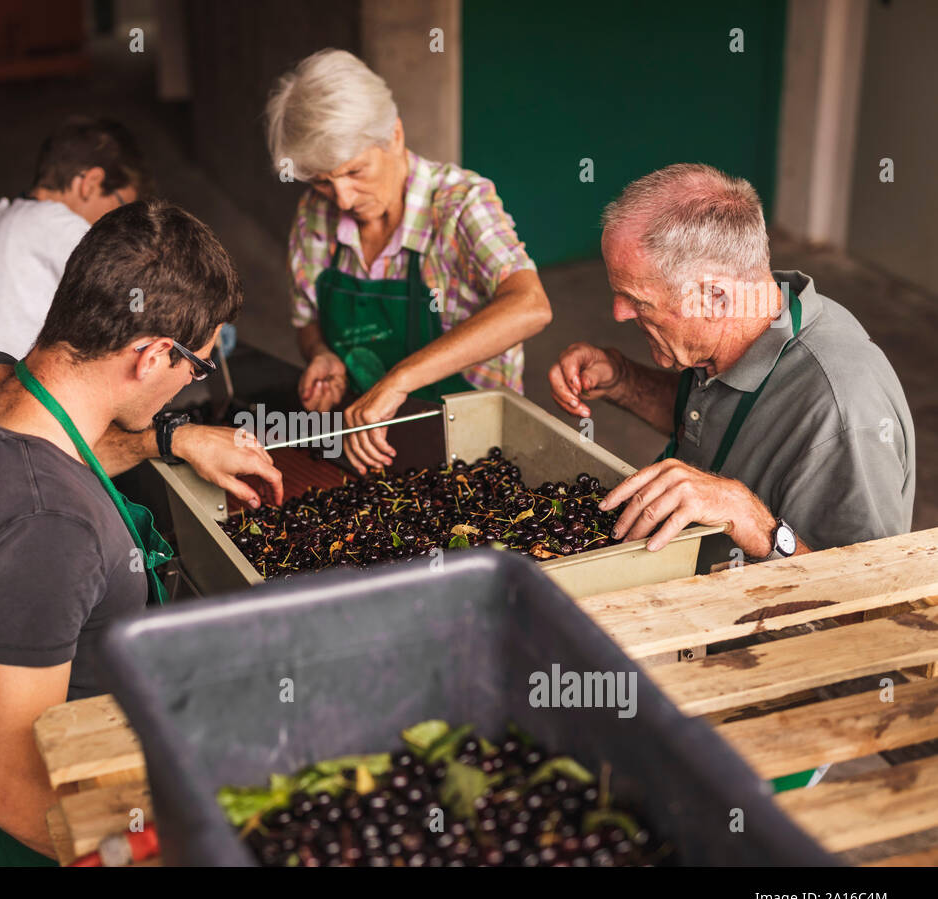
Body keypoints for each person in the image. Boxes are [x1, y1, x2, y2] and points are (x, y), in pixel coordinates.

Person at [0, 199, 281, 865]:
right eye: (192, 368)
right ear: (151, 356)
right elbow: (10, 793)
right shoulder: (48, 533)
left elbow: (54, 451)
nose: (185, 386)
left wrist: (172, 436)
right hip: (46, 827)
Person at [549, 163, 915, 575]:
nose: (618, 313)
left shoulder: (845, 413)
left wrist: (754, 522)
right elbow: (719, 420)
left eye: (638, 300)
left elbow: (874, 600)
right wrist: (624, 381)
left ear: (716, 296)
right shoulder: (747, 323)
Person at [266, 49, 552, 473]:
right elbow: (307, 319)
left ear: (395, 135)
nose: (341, 199)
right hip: (364, 443)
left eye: (355, 172)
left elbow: (530, 307)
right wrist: (321, 353)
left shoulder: (461, 204)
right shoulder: (314, 214)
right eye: (323, 182)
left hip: (473, 449)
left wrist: (399, 380)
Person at [0, 116, 150, 370]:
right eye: (120, 205)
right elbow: (138, 314)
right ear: (90, 183)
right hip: (12, 399)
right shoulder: (60, 226)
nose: (119, 223)